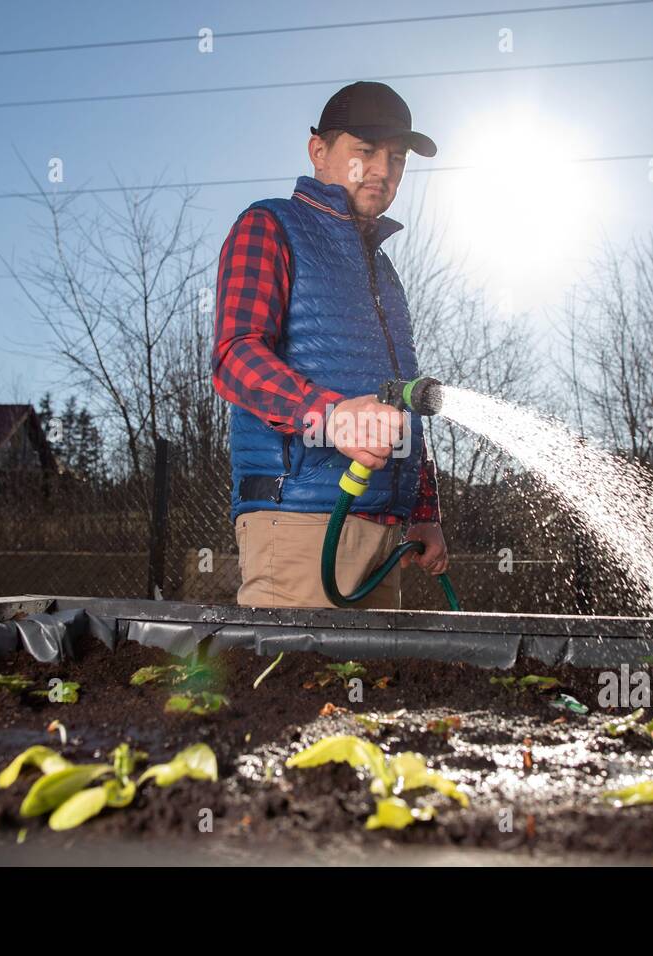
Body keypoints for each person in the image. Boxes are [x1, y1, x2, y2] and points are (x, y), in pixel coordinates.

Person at [212, 81, 448, 609]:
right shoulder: (270, 225)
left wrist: (424, 511)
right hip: (302, 521)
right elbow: (235, 356)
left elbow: (399, 401)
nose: (383, 170)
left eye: (396, 158)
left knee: (370, 689)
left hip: (382, 530)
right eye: (365, 151)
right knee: (291, 684)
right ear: (318, 151)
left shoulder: (382, 272)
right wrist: (332, 415)